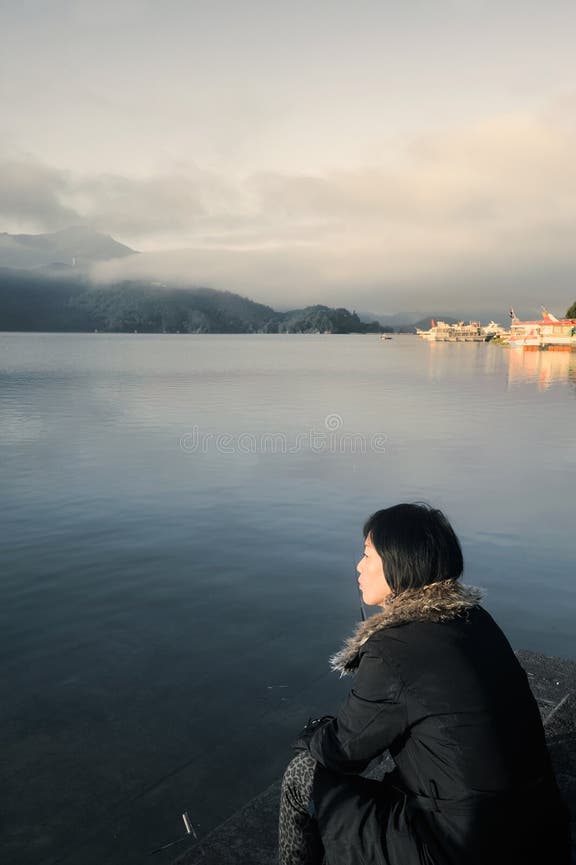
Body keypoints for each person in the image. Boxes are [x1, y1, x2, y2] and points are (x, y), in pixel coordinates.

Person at [278, 503, 570, 865]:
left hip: (461, 847)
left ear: (398, 564)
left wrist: (310, 735)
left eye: (367, 554)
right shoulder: (474, 618)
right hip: (537, 829)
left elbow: (344, 752)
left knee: (301, 774)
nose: (358, 566)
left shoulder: (394, 649)